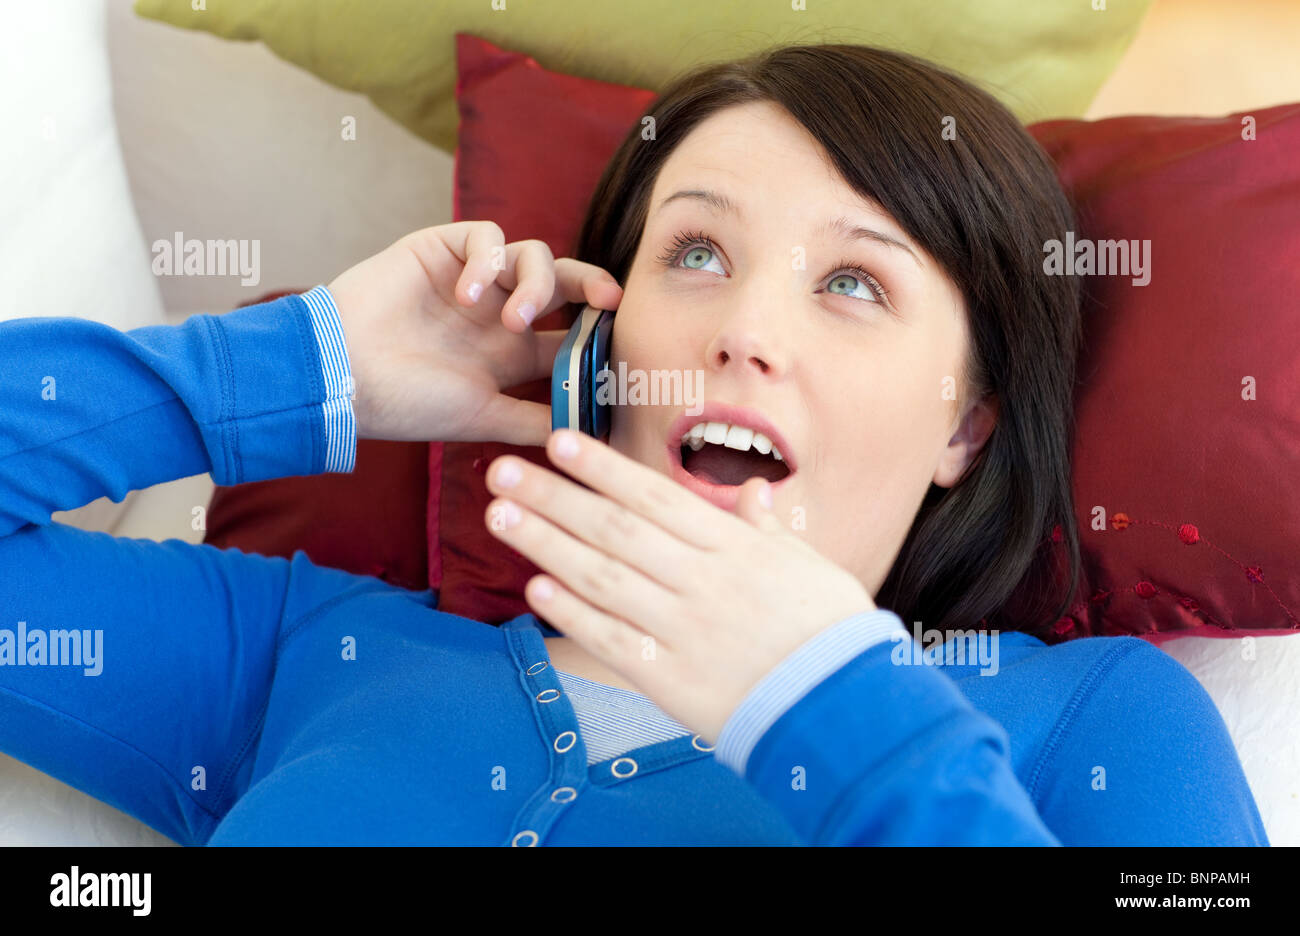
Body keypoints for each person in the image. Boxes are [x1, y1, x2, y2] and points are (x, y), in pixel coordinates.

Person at [0, 44, 1268, 846]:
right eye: (697, 255)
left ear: (965, 423)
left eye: (854, 285)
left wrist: (832, 706)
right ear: (601, 350)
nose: (746, 330)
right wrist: (301, 364)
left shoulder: (1092, 719)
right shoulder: (311, 657)